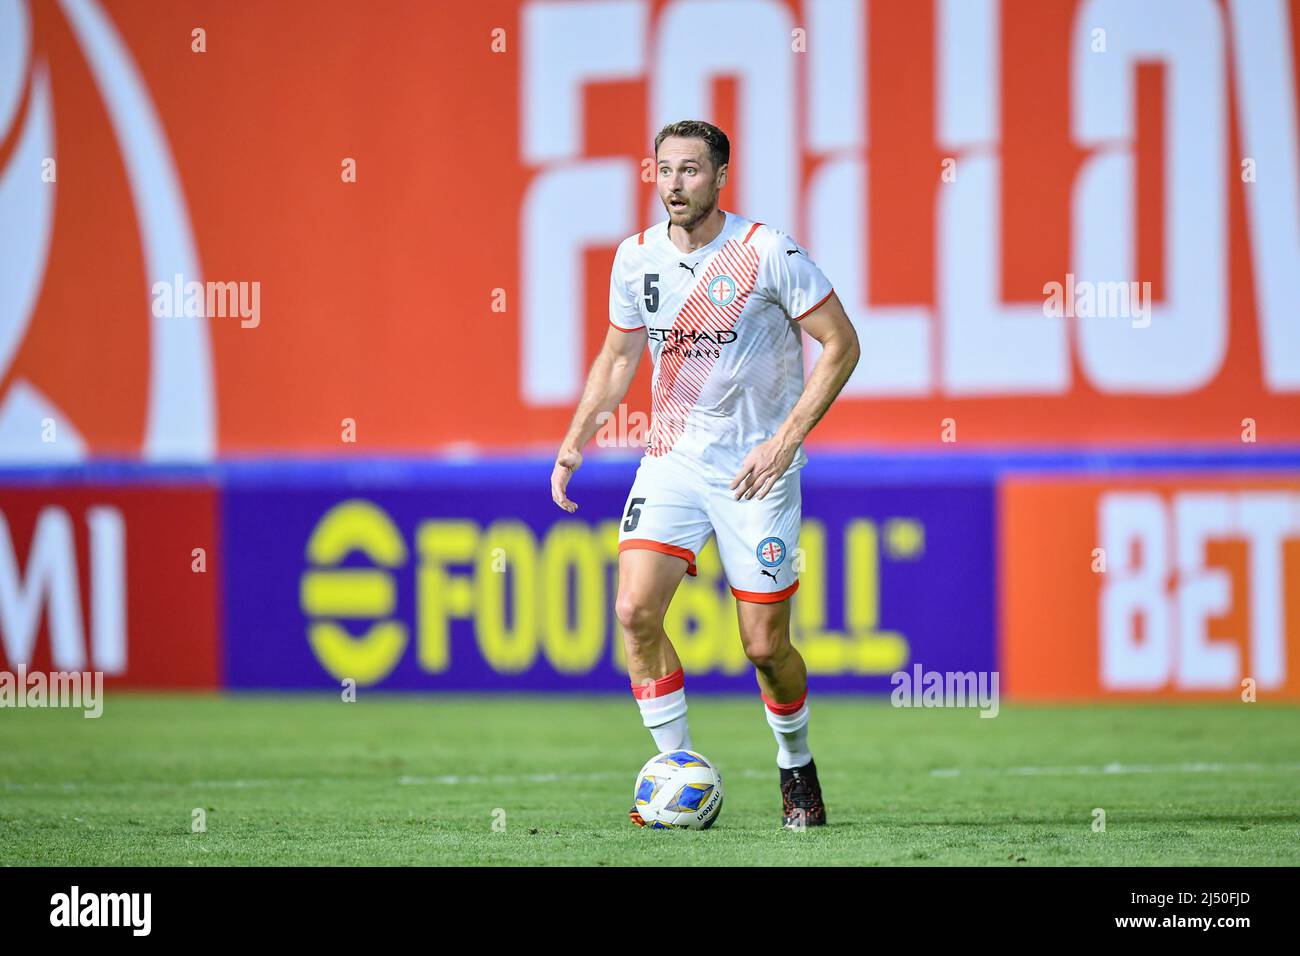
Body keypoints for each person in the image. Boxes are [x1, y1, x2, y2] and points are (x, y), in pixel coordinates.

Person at [551, 120, 860, 828]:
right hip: (673, 460)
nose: (674, 184)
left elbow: (842, 344)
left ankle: (795, 764)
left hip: (756, 471)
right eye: (664, 170)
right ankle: (679, 770)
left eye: (690, 170)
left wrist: (784, 442)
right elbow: (619, 358)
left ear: (720, 176)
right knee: (633, 611)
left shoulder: (766, 252)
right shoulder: (635, 258)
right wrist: (577, 440)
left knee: (763, 647)